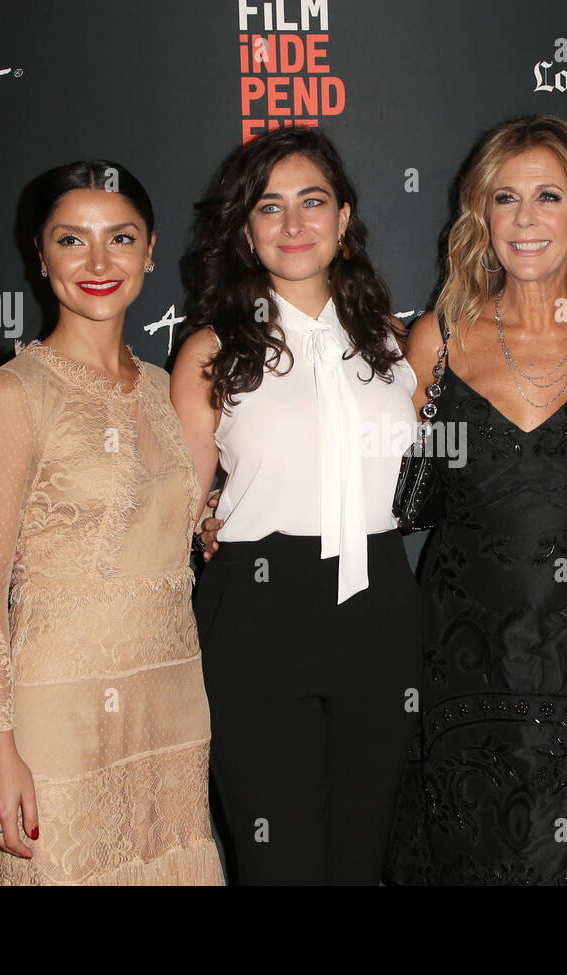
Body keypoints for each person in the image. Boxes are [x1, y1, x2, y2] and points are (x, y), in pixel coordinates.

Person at [384, 114, 567, 885]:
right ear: (482, 216)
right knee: (473, 849)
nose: (527, 219)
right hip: (464, 654)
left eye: (548, 196)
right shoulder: (438, 338)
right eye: (506, 199)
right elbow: (399, 494)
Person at [0, 160, 222, 885]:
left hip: (171, 708)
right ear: (40, 256)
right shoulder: (11, 396)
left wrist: (209, 523)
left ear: (151, 249)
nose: (99, 262)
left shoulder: (171, 392)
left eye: (121, 238)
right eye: (73, 240)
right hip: (59, 719)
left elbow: (179, 526)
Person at [170, 127, 420, 884]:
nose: (293, 224)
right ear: (246, 230)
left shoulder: (396, 344)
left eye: (312, 202)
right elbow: (177, 503)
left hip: (381, 604)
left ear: (344, 218)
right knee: (278, 860)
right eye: (269, 207)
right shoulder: (210, 352)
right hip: (257, 611)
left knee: (361, 855)